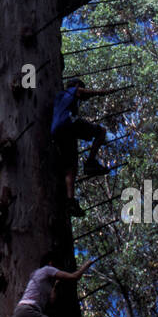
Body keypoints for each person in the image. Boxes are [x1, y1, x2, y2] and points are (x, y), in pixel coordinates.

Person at [52, 76, 111, 216]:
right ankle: (90, 162)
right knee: (101, 131)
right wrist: (102, 92)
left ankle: (70, 201)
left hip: (58, 131)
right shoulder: (71, 91)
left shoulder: (61, 99)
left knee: (71, 167)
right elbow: (82, 92)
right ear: (77, 85)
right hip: (69, 123)